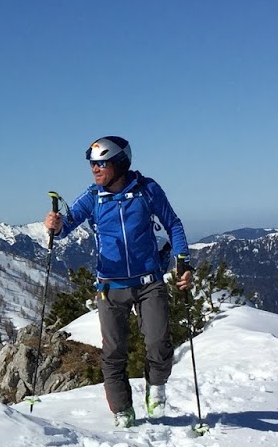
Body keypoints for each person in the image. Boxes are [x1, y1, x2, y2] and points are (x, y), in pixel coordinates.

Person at [43, 135, 193, 427]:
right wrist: (55, 225)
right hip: (110, 287)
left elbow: (173, 223)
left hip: (149, 281)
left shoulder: (147, 190)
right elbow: (65, 225)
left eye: (102, 163)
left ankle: (156, 386)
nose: (95, 169)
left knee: (158, 344)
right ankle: (122, 410)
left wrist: (183, 262)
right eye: (92, 164)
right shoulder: (92, 197)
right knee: (113, 353)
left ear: (120, 163)